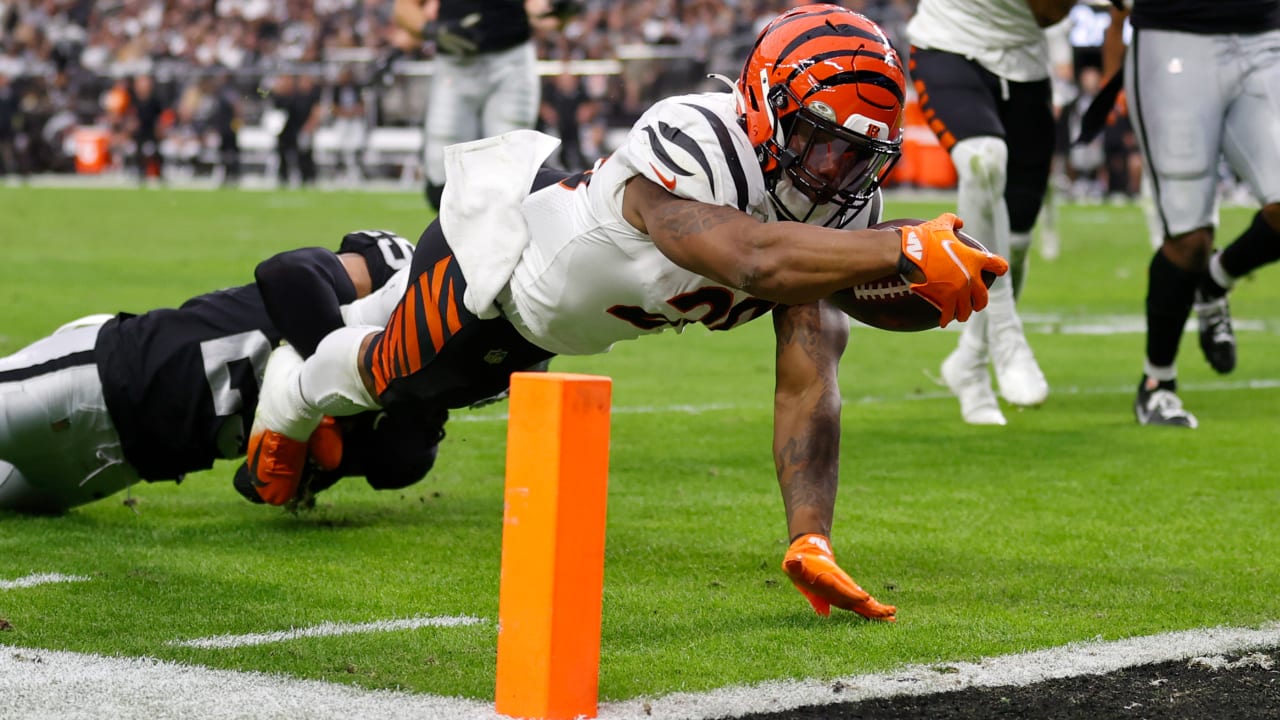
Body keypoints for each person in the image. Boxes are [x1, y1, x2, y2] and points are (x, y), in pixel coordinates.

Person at [242, 5, 1009, 622]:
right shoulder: (698, 134)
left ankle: (368, 283)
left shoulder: (839, 210)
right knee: (395, 376)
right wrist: (900, 248)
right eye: (820, 143)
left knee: (406, 442)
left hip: (546, 330)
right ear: (769, 104)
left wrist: (811, 536)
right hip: (500, 267)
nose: (836, 175)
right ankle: (293, 391)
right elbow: (750, 258)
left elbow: (809, 378)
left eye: (857, 157)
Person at [0, 230, 444, 515]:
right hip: (98, 379)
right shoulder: (378, 290)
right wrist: (333, 362)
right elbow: (287, 273)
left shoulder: (354, 398)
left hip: (108, 472)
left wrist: (338, 446)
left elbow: (253, 482)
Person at [905, 0, 1076, 426]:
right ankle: (1005, 334)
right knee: (984, 159)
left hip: (1025, 65)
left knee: (1013, 247)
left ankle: (971, 363)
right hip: (950, 41)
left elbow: (1050, 14)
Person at [1121, 0, 1280, 428]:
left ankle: (1216, 279)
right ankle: (1158, 382)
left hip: (1265, 39)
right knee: (1189, 238)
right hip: (1175, 40)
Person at [392, 0, 576, 210]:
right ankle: (452, 237)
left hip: (510, 59)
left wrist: (558, 14)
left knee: (512, 169)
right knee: (442, 175)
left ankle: (506, 237)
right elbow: (404, 8)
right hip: (456, 64)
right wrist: (434, 30)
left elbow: (542, 15)